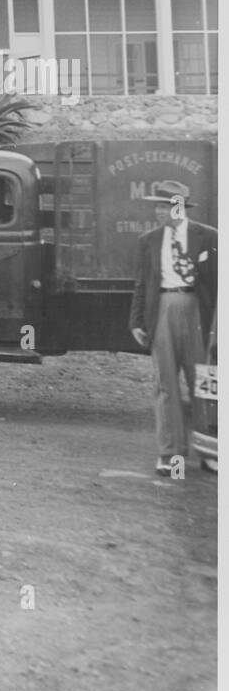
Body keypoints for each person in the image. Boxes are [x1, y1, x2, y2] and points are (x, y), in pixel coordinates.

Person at [129, 181, 218, 475]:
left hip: (197, 313)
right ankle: (170, 453)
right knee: (165, 384)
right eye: (155, 206)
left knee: (203, 382)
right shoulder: (149, 240)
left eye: (162, 206)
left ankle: (210, 451)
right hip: (164, 308)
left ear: (178, 207)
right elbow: (142, 284)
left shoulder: (208, 237)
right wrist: (137, 321)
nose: (157, 211)